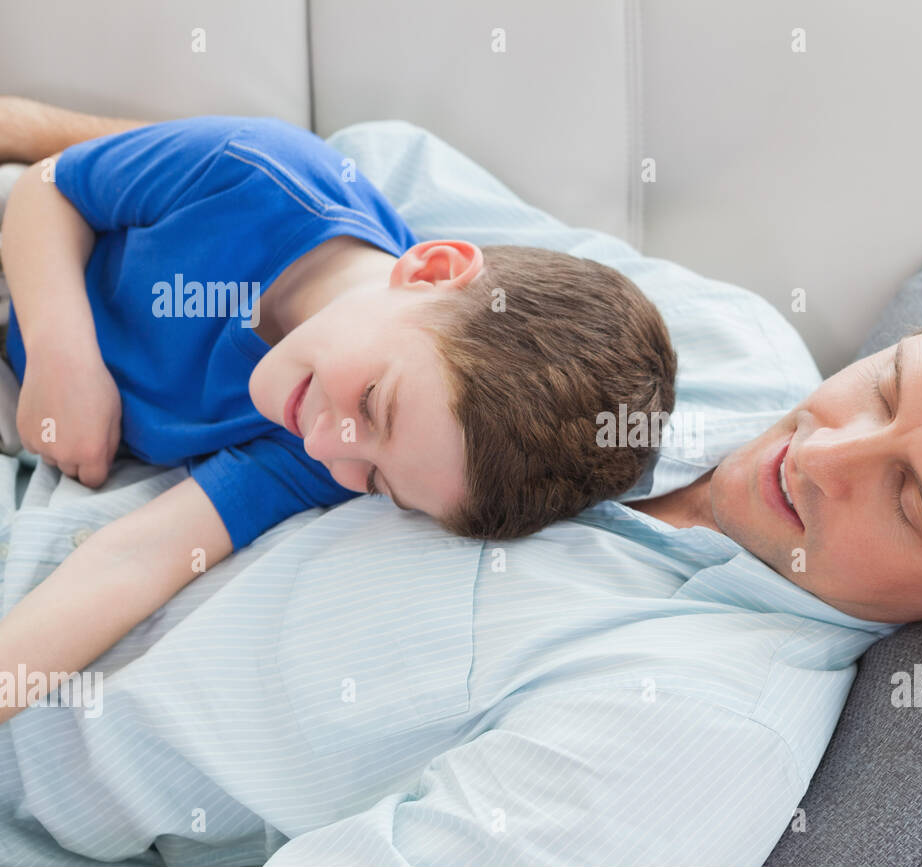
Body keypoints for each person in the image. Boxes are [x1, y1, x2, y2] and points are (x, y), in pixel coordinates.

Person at [0, 101, 922, 865]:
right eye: (884, 386)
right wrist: (49, 191)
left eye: (909, 498)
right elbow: (315, 204)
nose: (810, 454)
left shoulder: (686, 744)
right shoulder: (720, 346)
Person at [0, 102, 676, 719]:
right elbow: (51, 187)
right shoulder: (255, 171)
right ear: (433, 271)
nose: (326, 445)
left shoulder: (332, 454)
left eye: (378, 482)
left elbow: (141, 558)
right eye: (375, 404)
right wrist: (66, 359)